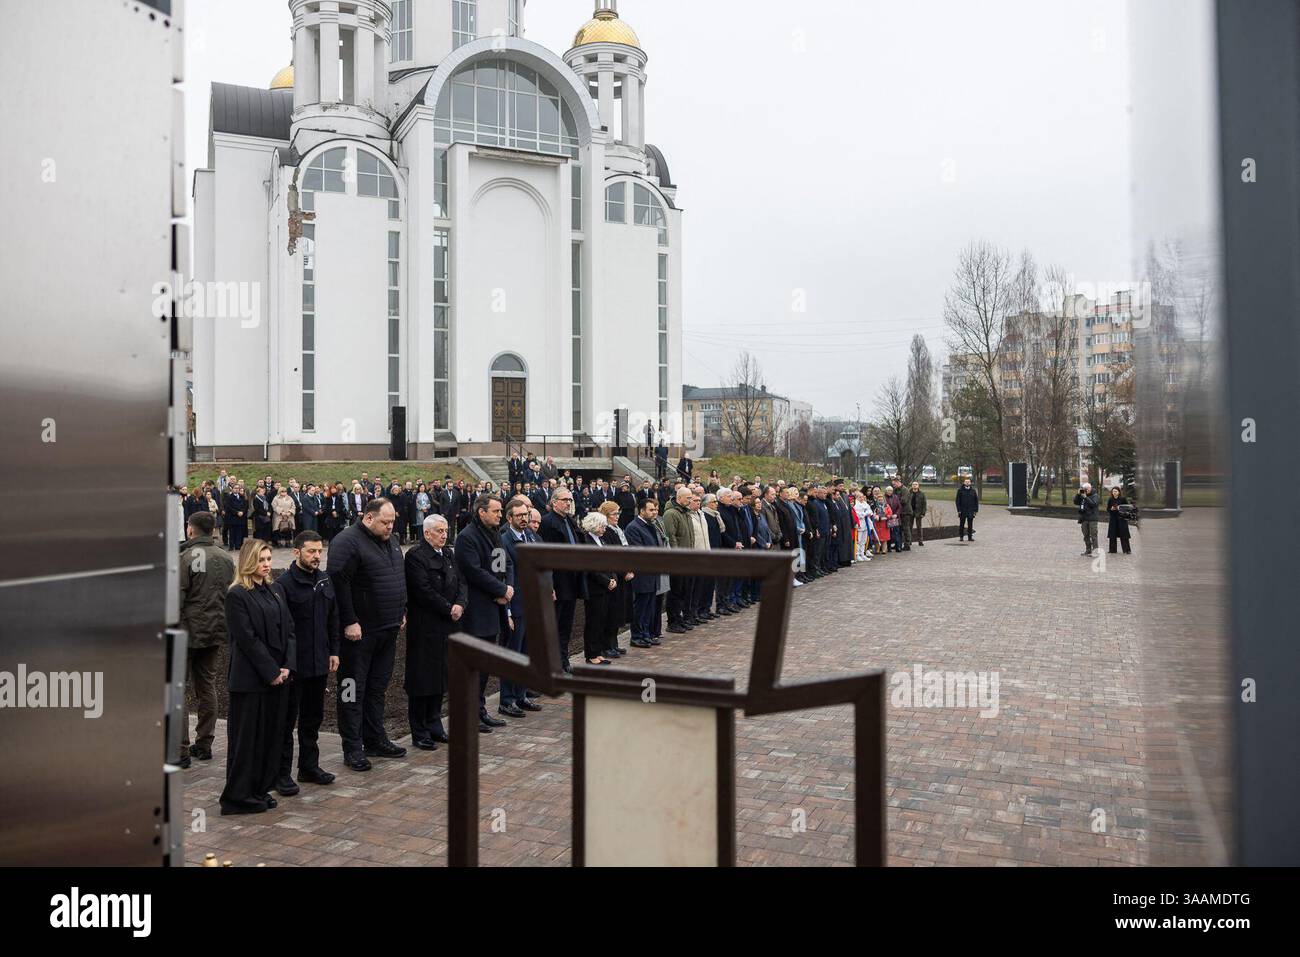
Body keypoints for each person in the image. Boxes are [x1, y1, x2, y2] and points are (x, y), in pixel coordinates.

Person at [327, 498, 408, 772]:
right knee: (352, 689)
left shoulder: (391, 540)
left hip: (387, 628)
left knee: (377, 688)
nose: (390, 527)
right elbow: (339, 583)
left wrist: (401, 609)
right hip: (358, 634)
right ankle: (353, 746)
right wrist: (349, 620)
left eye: (393, 521)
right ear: (369, 518)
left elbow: (396, 575)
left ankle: (375, 738)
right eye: (385, 522)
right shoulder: (346, 542)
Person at [220, 540, 294, 815]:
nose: (266, 564)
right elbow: (247, 639)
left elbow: (289, 629)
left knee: (269, 738)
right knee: (246, 740)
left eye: (268, 558)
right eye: (261, 559)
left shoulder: (275, 590)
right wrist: (271, 671)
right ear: (249, 562)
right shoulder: (237, 595)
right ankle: (239, 795)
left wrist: (287, 666)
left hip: (278, 677)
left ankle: (259, 788)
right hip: (250, 681)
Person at [272, 530, 340, 793]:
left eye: (319, 551)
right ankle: (281, 774)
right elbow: (282, 630)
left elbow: (333, 618)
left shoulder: (324, 580)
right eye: (311, 551)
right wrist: (286, 664)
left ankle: (309, 767)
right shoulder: (284, 584)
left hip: (319, 662)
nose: (316, 556)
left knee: (313, 718)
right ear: (296, 552)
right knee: (287, 721)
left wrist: (334, 650)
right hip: (294, 666)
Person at [177, 512, 236, 768]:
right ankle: (205, 743)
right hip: (214, 630)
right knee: (207, 685)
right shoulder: (225, 557)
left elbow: (177, 598)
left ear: (191, 530)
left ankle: (179, 750)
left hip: (187, 631)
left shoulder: (185, 557)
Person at [405, 515, 467, 748]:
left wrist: (460, 604)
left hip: (449, 626)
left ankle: (434, 724)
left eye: (445, 530)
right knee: (423, 679)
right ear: (427, 533)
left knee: (442, 677)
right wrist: (448, 607)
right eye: (439, 531)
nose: (444, 535)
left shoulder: (448, 554)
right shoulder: (416, 557)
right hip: (426, 627)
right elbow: (423, 590)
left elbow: (462, 582)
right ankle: (419, 730)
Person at [454, 494, 512, 731]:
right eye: (496, 511)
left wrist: (506, 587)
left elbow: (501, 563)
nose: (500, 515)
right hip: (477, 609)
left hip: (495, 606)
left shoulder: (494, 533)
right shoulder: (467, 538)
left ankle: (479, 710)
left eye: (500, 511)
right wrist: (500, 589)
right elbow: (474, 571)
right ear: (481, 512)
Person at [498, 499, 544, 717]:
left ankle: (521, 695)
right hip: (515, 606)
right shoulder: (502, 541)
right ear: (509, 518)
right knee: (512, 654)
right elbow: (501, 576)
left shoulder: (532, 537)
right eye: (519, 516)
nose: (524, 519)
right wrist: (506, 610)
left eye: (526, 515)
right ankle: (506, 700)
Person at [539, 486, 587, 674]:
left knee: (566, 624)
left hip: (572, 580)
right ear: (554, 502)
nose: (568, 503)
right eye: (565, 500)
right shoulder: (547, 522)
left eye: (570, 500)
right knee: (554, 624)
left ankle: (563, 659)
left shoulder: (570, 521)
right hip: (558, 582)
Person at [625, 496, 667, 648]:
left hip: (652, 573)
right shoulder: (633, 527)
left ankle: (645, 634)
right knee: (641, 607)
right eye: (651, 510)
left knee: (649, 607)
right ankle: (636, 636)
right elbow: (639, 552)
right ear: (642, 511)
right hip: (642, 574)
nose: (655, 512)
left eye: (656, 509)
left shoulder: (650, 525)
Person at [579, 512, 618, 665]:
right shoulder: (586, 541)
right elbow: (590, 567)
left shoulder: (601, 541)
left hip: (607, 586)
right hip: (595, 588)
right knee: (593, 621)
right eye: (602, 526)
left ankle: (598, 651)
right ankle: (591, 654)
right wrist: (606, 581)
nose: (604, 529)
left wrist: (613, 578)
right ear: (593, 525)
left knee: (602, 620)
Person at [662, 487, 696, 633]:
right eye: (688, 498)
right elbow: (671, 537)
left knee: (684, 591)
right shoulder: (671, 514)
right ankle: (673, 621)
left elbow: (689, 536)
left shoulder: (686, 513)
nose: (690, 501)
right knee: (675, 592)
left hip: (687, 559)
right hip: (678, 560)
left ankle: (680, 618)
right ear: (680, 497)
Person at [1075, 482, 1101, 557]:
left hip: (1092, 519)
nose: (1086, 490)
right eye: (1084, 489)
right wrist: (1078, 494)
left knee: (1093, 535)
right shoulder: (1082, 495)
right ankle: (1088, 550)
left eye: (1087, 489)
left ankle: (1095, 551)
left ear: (1090, 488)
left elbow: (1093, 504)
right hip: (1084, 518)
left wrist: (1086, 497)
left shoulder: (1095, 495)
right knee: (1086, 535)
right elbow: (1076, 502)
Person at [1106, 487, 1133, 554]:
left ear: (1119, 492)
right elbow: (1108, 509)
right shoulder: (1110, 499)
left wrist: (1119, 508)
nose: (1114, 492)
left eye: (1116, 491)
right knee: (1112, 534)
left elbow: (1128, 508)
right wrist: (1111, 509)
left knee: (1124, 534)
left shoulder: (1123, 499)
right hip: (1113, 519)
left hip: (1121, 518)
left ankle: (1127, 550)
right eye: (1113, 491)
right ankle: (1112, 550)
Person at [224, 483, 248, 552]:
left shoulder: (242, 496)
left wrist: (242, 512)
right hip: (232, 518)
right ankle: (231, 546)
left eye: (238, 488)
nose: (237, 489)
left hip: (241, 518)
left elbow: (245, 506)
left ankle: (238, 546)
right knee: (232, 533)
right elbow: (228, 507)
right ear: (232, 489)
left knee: (239, 532)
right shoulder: (229, 497)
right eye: (235, 488)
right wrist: (237, 512)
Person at [956, 477, 979, 542]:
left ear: (970, 483)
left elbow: (976, 501)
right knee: (961, 524)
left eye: (968, 482)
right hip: (962, 511)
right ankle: (961, 537)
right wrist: (959, 510)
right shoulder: (960, 490)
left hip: (971, 511)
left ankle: (970, 537)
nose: (967, 483)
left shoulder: (973, 491)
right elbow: (957, 501)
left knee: (970, 525)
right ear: (964, 483)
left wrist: (976, 510)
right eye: (966, 482)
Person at [908, 481, 928, 546]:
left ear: (918, 486)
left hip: (918, 512)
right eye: (913, 484)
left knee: (919, 527)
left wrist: (923, 513)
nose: (914, 485)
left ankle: (920, 541)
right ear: (912, 486)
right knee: (909, 527)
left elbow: (924, 504)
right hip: (910, 512)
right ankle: (909, 540)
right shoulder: (909, 493)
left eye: (916, 484)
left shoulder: (922, 494)